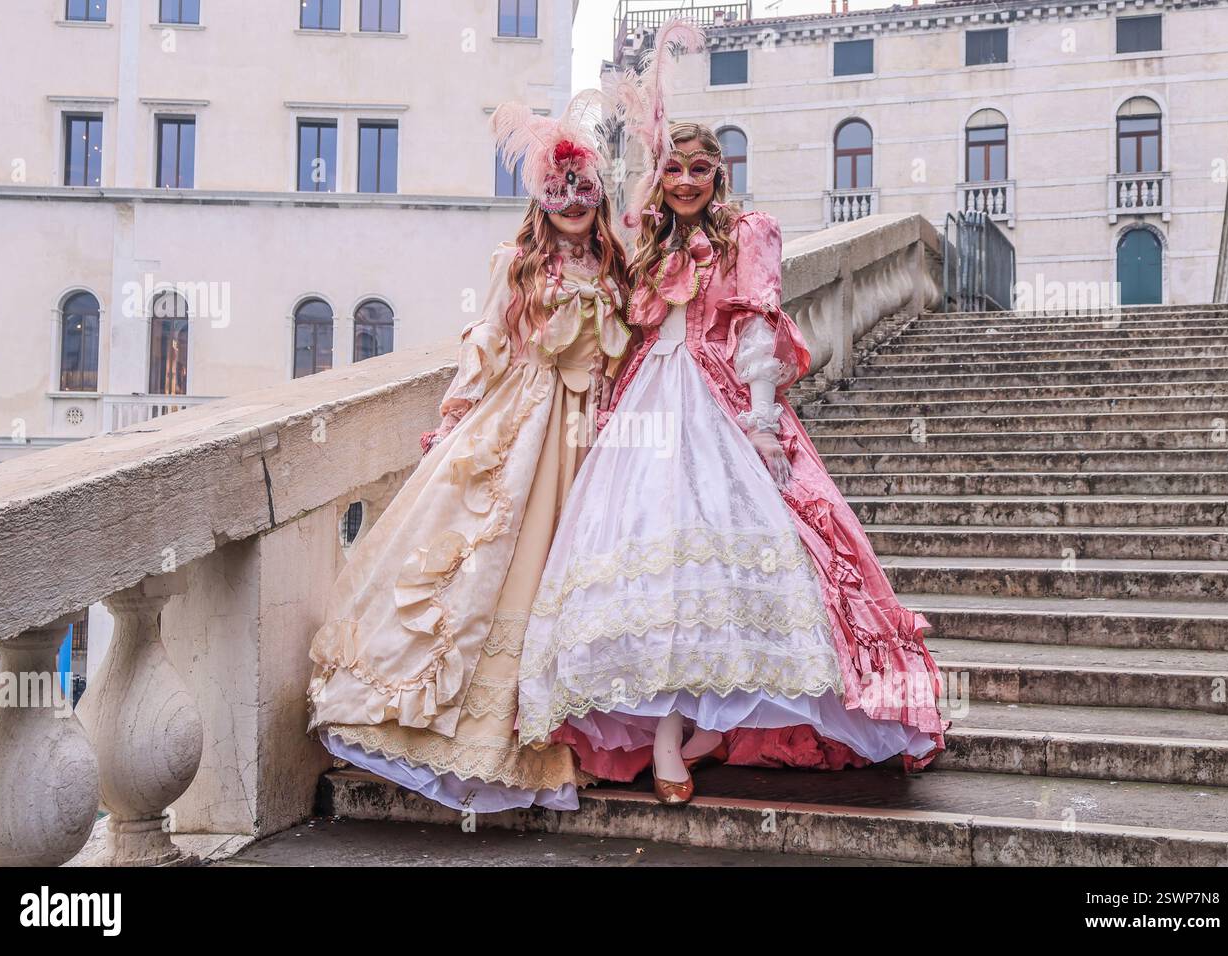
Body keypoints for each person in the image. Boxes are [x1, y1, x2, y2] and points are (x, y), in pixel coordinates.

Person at [516, 21, 947, 804]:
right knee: (660, 572)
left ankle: (683, 735)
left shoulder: (751, 234)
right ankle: (681, 731)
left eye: (698, 170)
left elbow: (756, 331)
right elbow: (603, 300)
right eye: (672, 170)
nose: (684, 181)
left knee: (725, 567)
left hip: (719, 408)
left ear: (721, 173)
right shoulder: (648, 242)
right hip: (646, 410)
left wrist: (759, 422)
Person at [306, 92, 630, 812]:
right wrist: (456, 413)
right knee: (489, 565)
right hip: (522, 425)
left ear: (598, 196)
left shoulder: (618, 271)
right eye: (559, 191)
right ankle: (462, 726)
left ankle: (579, 726)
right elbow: (485, 342)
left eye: (583, 190)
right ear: (541, 202)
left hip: (592, 437)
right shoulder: (514, 263)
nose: (573, 203)